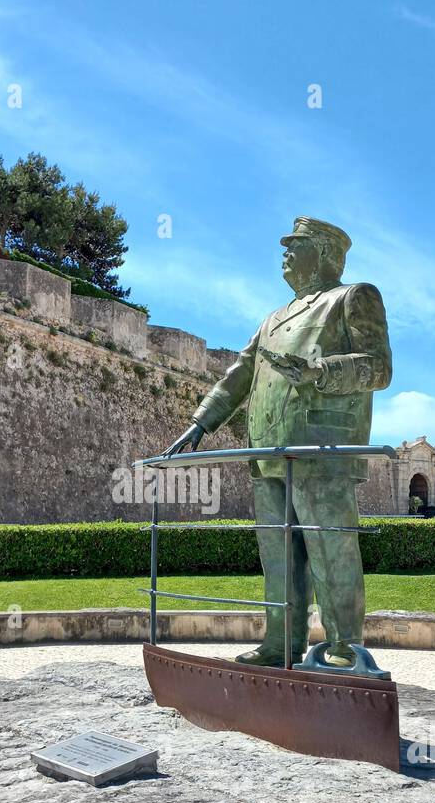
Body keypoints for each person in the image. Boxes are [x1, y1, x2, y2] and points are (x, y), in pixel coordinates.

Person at [164, 216, 392, 668]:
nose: (285, 251)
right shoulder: (273, 318)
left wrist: (318, 373)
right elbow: (239, 375)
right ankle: (280, 643)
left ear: (326, 253)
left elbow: (379, 369)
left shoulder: (352, 298)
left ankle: (346, 651)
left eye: (296, 244)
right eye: (285, 244)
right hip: (267, 454)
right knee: (278, 560)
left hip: (321, 451)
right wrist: (201, 422)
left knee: (332, 555)